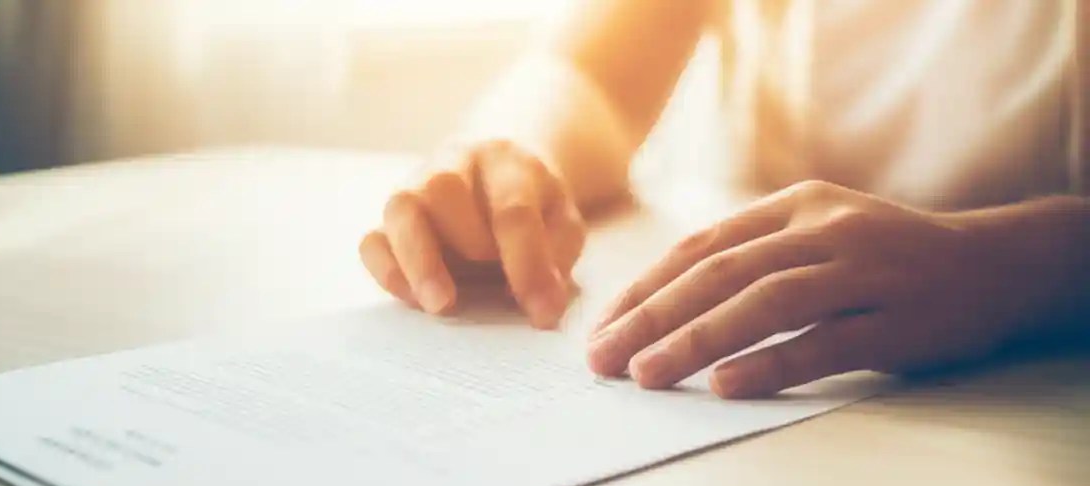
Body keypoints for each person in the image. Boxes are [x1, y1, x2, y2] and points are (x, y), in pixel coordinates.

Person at [357, 0, 1089, 398]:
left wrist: (1011, 264)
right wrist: (506, 155)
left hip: (1020, 408)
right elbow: (593, 79)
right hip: (742, 435)